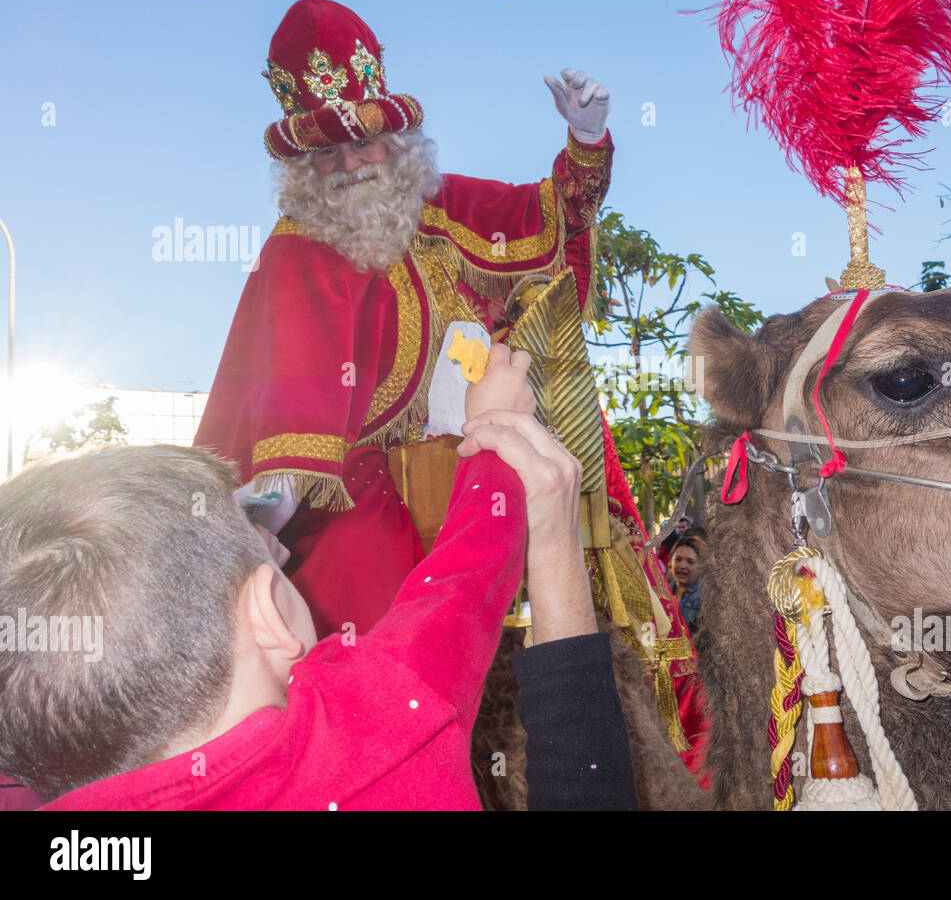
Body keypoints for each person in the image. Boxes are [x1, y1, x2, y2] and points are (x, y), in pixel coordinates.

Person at [193, 0, 711, 780]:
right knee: (363, 637)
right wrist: (260, 520)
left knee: (578, 559)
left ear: (393, 136)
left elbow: (553, 217)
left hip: (485, 452)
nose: (348, 167)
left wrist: (587, 136)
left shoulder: (442, 208)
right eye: (324, 157)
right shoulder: (295, 255)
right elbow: (291, 421)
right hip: (354, 497)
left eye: (361, 142)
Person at [0, 346, 638, 810]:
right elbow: (464, 580)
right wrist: (495, 431)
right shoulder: (369, 723)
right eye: (273, 558)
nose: (282, 545)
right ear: (269, 619)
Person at [670, 537, 704, 634]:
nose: (682, 566)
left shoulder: (706, 599)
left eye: (690, 562)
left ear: (700, 567)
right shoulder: (662, 590)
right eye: (678, 559)